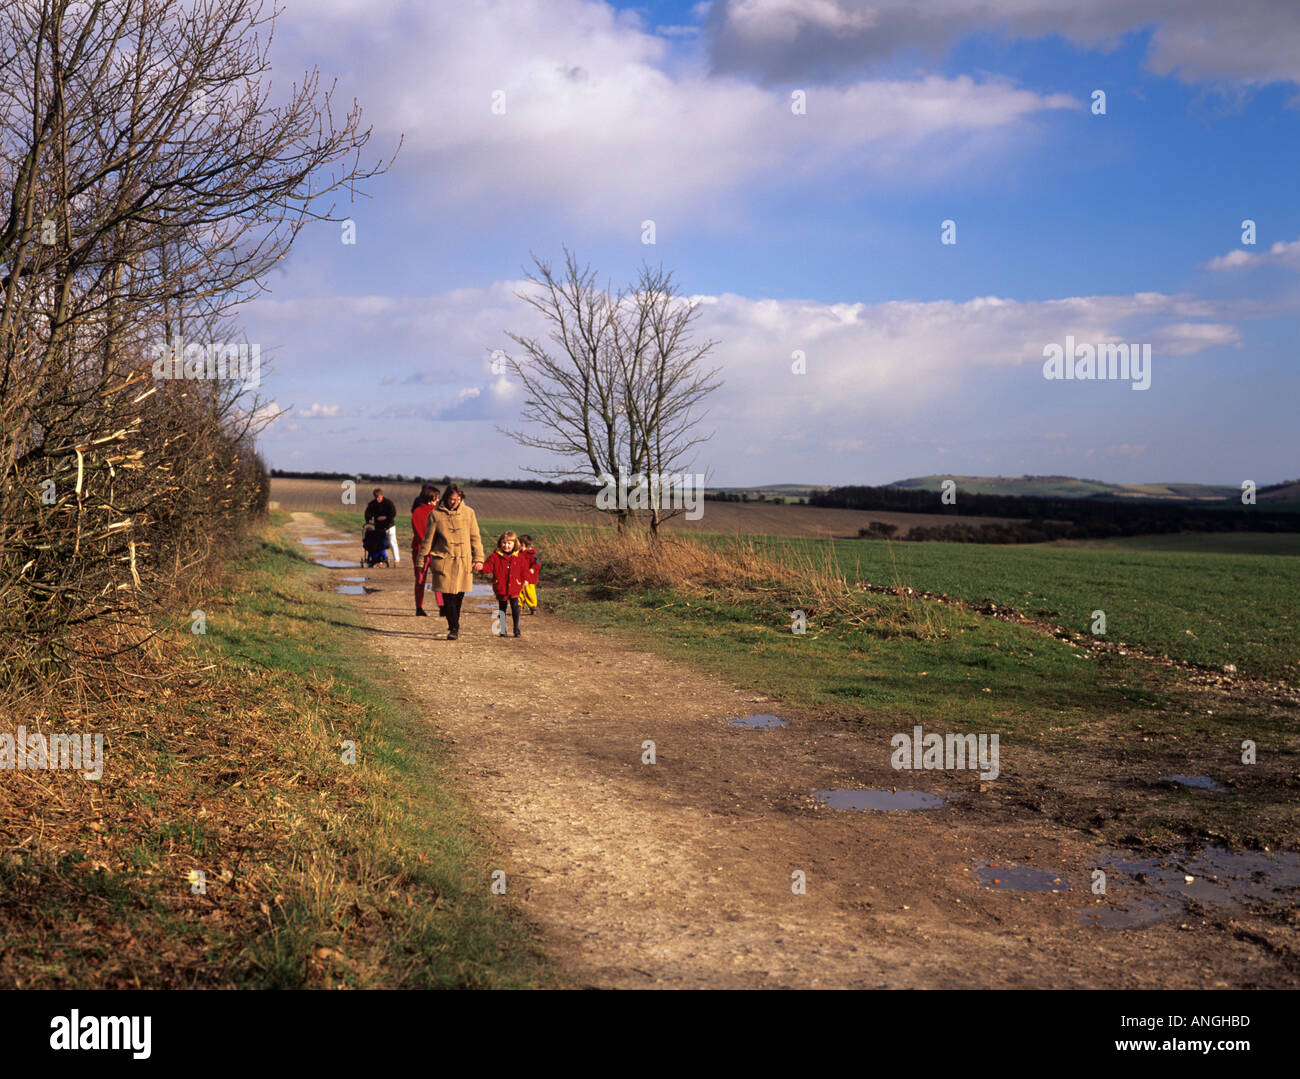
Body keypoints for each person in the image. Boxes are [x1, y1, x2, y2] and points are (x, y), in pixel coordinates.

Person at [416, 483, 484, 640]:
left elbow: (475, 538)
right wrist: (421, 561)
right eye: (452, 499)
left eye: (458, 499)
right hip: (444, 562)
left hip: (463, 562)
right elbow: (428, 541)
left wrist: (479, 558)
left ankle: (454, 624)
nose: (455, 502)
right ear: (446, 498)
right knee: (448, 599)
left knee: (459, 597)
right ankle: (454, 628)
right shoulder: (435, 515)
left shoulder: (469, 513)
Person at [479, 532, 532, 638]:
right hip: (501, 587)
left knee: (515, 607)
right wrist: (481, 567)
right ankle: (503, 629)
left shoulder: (519, 557)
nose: (506, 546)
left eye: (509, 543)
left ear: (514, 544)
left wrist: (526, 579)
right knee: (502, 609)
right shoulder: (495, 556)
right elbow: (488, 567)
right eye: (504, 543)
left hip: (515, 587)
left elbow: (525, 570)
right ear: (500, 543)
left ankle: (516, 628)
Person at [410, 483, 441, 617]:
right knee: (438, 580)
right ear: (432, 497)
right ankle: (441, 606)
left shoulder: (416, 512)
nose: (438, 500)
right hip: (428, 551)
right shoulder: (437, 513)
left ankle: (419, 607)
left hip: (420, 550)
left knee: (420, 580)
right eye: (437, 497)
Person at [364, 487, 398, 566]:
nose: (377, 499)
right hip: (379, 527)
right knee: (379, 543)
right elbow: (367, 514)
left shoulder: (388, 503)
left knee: (392, 542)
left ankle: (396, 560)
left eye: (379, 497)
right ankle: (381, 560)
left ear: (382, 496)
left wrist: (385, 518)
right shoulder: (372, 504)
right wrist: (369, 520)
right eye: (376, 497)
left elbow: (393, 513)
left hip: (390, 526)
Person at [518, 534, 540, 615]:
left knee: (529, 592)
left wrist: (532, 569)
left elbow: (537, 563)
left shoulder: (531, 554)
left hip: (529, 578)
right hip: (519, 577)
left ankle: (533, 606)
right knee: (518, 592)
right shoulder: (518, 553)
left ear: (522, 544)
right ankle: (518, 606)